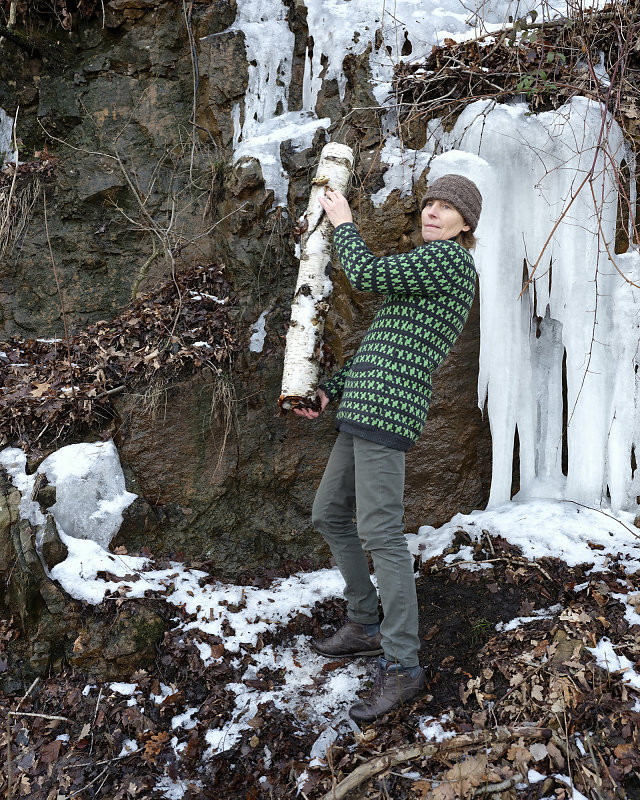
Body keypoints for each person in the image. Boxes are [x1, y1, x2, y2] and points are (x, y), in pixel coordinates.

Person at [295, 174, 482, 723]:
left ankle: (404, 664)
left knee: (381, 533)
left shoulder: (451, 264)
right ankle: (364, 622)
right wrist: (331, 389)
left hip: (388, 413)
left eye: (448, 208)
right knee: (329, 514)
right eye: (430, 203)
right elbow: (378, 345)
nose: (433, 212)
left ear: (465, 224)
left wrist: (345, 224)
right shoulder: (422, 273)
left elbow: (368, 272)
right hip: (359, 410)